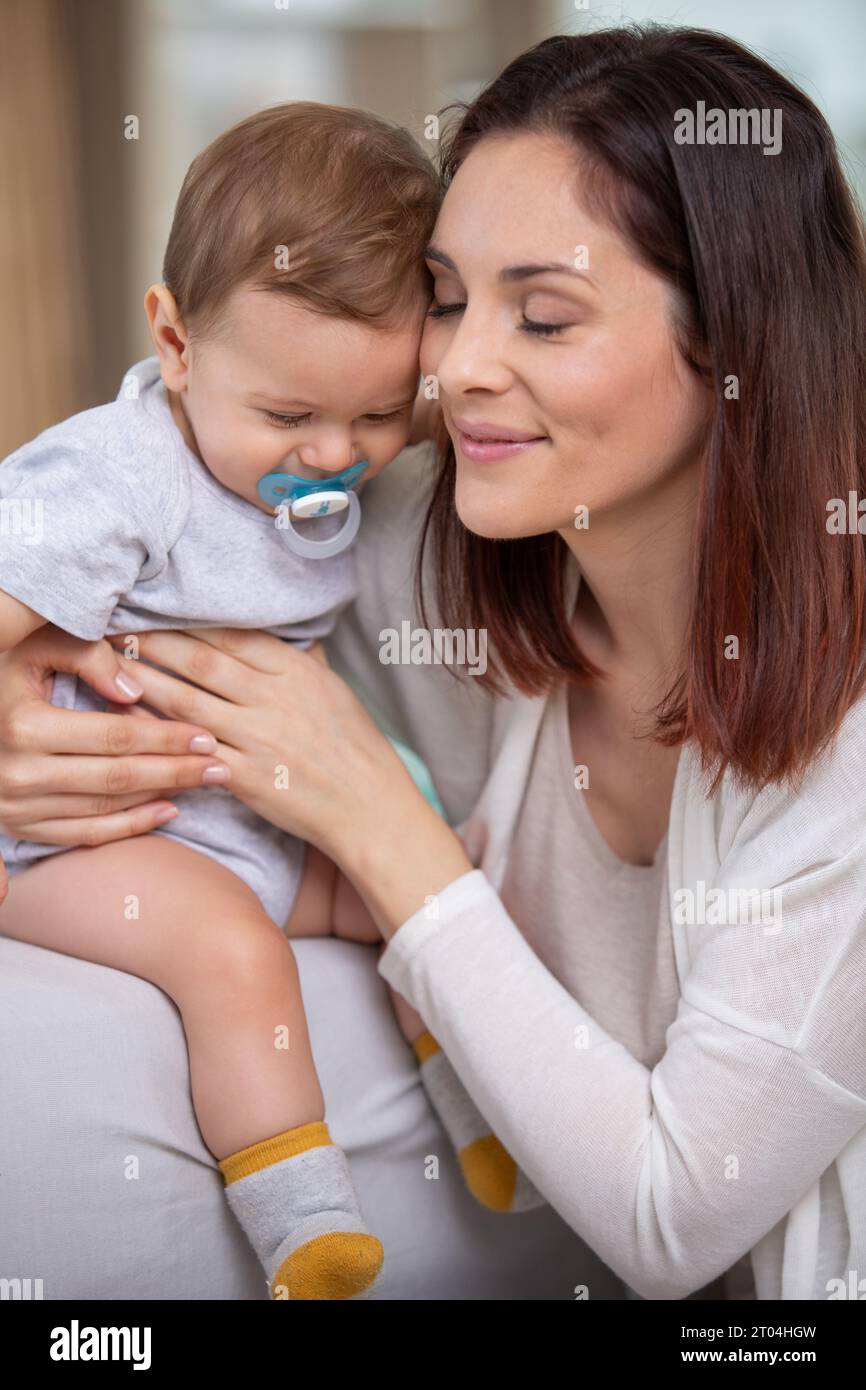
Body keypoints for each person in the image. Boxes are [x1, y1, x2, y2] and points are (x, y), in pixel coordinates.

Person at [2, 24, 865, 1301]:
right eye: (449, 300)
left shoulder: (842, 751)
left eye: (544, 312)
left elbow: (672, 1219)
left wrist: (376, 816)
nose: (455, 370)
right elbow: (158, 508)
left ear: (729, 345)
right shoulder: (422, 538)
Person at [0, 98, 449, 1302]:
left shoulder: (365, 471)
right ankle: (302, 1216)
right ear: (178, 341)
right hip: (79, 841)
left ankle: (482, 1120)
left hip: (239, 816)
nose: (331, 457)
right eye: (289, 416)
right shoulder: (118, 477)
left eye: (374, 413)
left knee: (410, 890)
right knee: (228, 949)